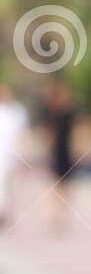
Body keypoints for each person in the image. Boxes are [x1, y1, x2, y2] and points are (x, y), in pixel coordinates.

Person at [41, 81, 78, 236]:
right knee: (57, 185)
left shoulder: (68, 114)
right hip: (58, 152)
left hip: (66, 152)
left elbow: (78, 131)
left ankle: (60, 213)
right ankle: (57, 214)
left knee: (64, 186)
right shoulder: (52, 114)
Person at [0, 85, 30, 230]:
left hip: (13, 155)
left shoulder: (17, 111)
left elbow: (23, 132)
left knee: (11, 186)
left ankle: (7, 212)